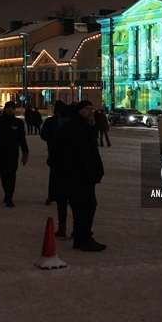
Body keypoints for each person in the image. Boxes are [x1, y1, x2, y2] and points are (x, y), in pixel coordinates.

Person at [53, 100, 107, 251]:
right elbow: (74, 153)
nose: (90, 112)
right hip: (80, 175)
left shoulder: (82, 127)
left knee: (83, 206)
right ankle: (84, 238)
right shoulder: (76, 128)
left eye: (92, 108)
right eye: (87, 109)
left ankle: (81, 237)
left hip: (83, 174)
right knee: (86, 206)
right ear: (80, 110)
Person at [0, 101, 29, 207]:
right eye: (8, 108)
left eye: (12, 108)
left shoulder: (18, 123)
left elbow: (22, 139)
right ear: (4, 109)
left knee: (12, 175)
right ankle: (7, 192)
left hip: (13, 152)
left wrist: (25, 152)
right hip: (1, 152)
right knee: (3, 174)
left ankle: (9, 197)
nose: (10, 110)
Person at [40, 100, 68, 215]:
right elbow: (44, 135)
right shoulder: (54, 122)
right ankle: (55, 196)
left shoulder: (56, 121)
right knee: (59, 176)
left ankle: (55, 196)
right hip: (57, 152)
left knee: (56, 176)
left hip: (57, 152)